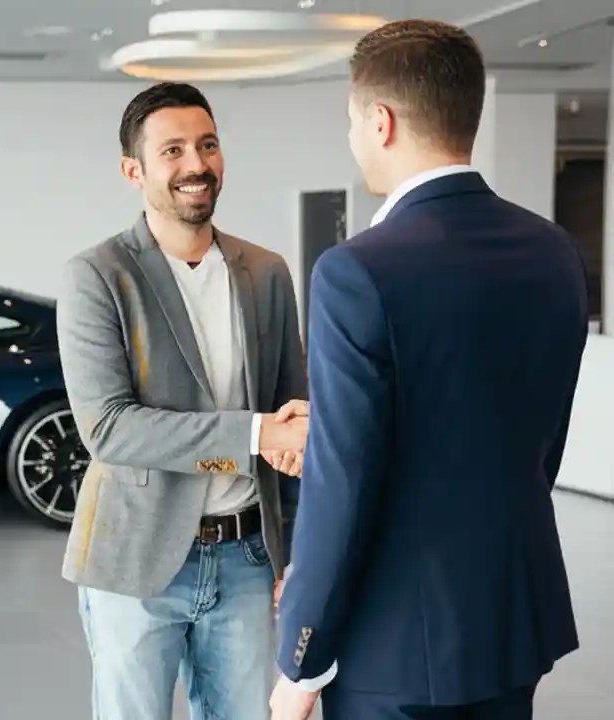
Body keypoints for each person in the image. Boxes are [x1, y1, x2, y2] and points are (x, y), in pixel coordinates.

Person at [269, 18, 588, 720]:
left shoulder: (358, 271)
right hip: (512, 618)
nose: (352, 137)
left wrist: (301, 661)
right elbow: (543, 447)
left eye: (351, 120)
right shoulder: (552, 251)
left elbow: (343, 481)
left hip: (397, 644)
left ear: (379, 121)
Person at [56, 81, 311, 720]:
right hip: (135, 559)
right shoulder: (97, 276)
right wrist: (255, 435)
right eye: (172, 151)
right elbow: (110, 430)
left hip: (249, 557)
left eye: (208, 145)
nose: (196, 165)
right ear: (133, 170)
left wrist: (303, 551)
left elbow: (295, 416)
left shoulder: (266, 272)